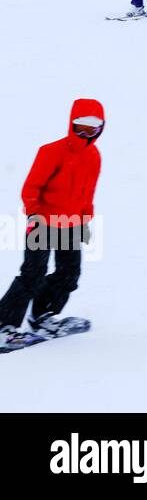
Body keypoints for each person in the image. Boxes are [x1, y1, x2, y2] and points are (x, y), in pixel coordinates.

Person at [0, 99, 103, 347]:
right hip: (43, 222)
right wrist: (34, 213)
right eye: (81, 127)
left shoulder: (94, 156)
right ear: (71, 124)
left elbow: (87, 192)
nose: (86, 134)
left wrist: (84, 219)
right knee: (33, 274)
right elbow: (31, 187)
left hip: (70, 223)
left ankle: (42, 316)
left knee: (69, 274)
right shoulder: (52, 151)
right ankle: (4, 326)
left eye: (93, 128)